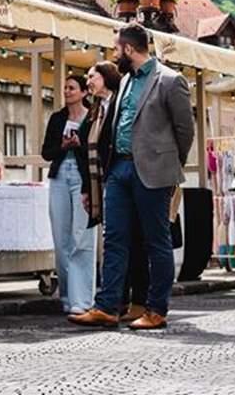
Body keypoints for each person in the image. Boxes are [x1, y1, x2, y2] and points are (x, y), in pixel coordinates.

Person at [70, 24, 194, 330]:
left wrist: (169, 165)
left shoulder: (170, 80)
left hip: (153, 171)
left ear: (128, 49)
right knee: (114, 238)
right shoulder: (124, 80)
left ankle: (156, 310)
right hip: (119, 169)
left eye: (116, 48)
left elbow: (185, 131)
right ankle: (107, 307)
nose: (114, 54)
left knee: (156, 241)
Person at [80, 62, 148, 323]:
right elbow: (87, 151)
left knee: (136, 242)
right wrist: (88, 188)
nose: (88, 81)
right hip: (108, 181)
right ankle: (113, 302)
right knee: (116, 241)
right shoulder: (95, 110)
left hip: (129, 175)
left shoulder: (121, 103)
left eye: (92, 76)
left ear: (106, 77)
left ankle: (139, 301)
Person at [41, 74, 96, 315]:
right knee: (61, 238)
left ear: (84, 92)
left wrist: (78, 144)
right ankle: (66, 295)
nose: (67, 91)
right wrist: (63, 146)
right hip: (60, 175)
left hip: (83, 178)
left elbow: (97, 150)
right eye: (65, 87)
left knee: (81, 237)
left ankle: (82, 299)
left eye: (72, 88)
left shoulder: (92, 117)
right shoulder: (57, 118)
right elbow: (46, 152)